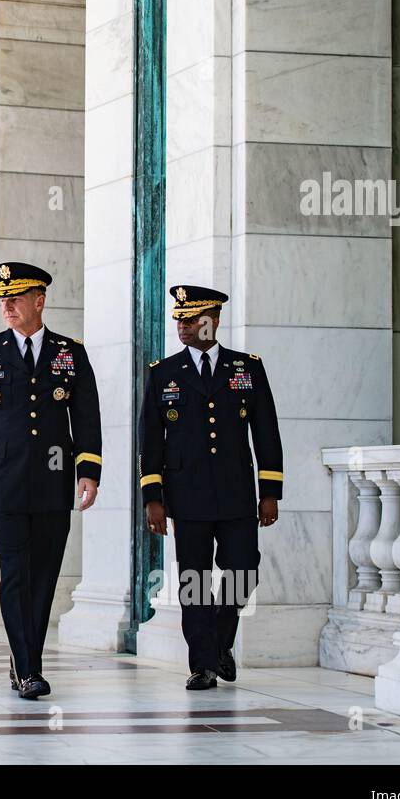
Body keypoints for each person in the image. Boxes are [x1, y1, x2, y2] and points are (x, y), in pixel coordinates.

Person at [0, 262, 102, 699]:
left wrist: (88, 470)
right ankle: (28, 668)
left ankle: (26, 662)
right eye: (3, 298)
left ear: (40, 300)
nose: (7, 305)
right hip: (3, 483)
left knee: (44, 578)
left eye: (16, 297)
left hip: (55, 484)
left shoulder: (70, 352)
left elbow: (87, 418)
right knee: (15, 575)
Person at [138, 285, 283, 690]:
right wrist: (154, 497)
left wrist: (269, 490)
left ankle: (220, 639)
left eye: (190, 319)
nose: (181, 327)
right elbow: (150, 441)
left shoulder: (246, 368)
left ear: (213, 320)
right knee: (194, 580)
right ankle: (202, 663)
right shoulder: (164, 372)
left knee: (243, 570)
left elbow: (267, 432)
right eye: (178, 320)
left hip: (237, 493)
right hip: (187, 495)